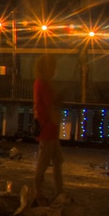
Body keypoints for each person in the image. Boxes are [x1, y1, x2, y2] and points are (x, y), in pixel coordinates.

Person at [31, 53, 64, 203]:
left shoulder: (39, 83)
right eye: (53, 67)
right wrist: (57, 119)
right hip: (48, 130)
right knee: (45, 163)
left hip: (47, 129)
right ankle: (39, 193)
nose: (54, 70)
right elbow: (51, 107)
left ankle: (59, 192)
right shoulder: (44, 85)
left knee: (57, 160)